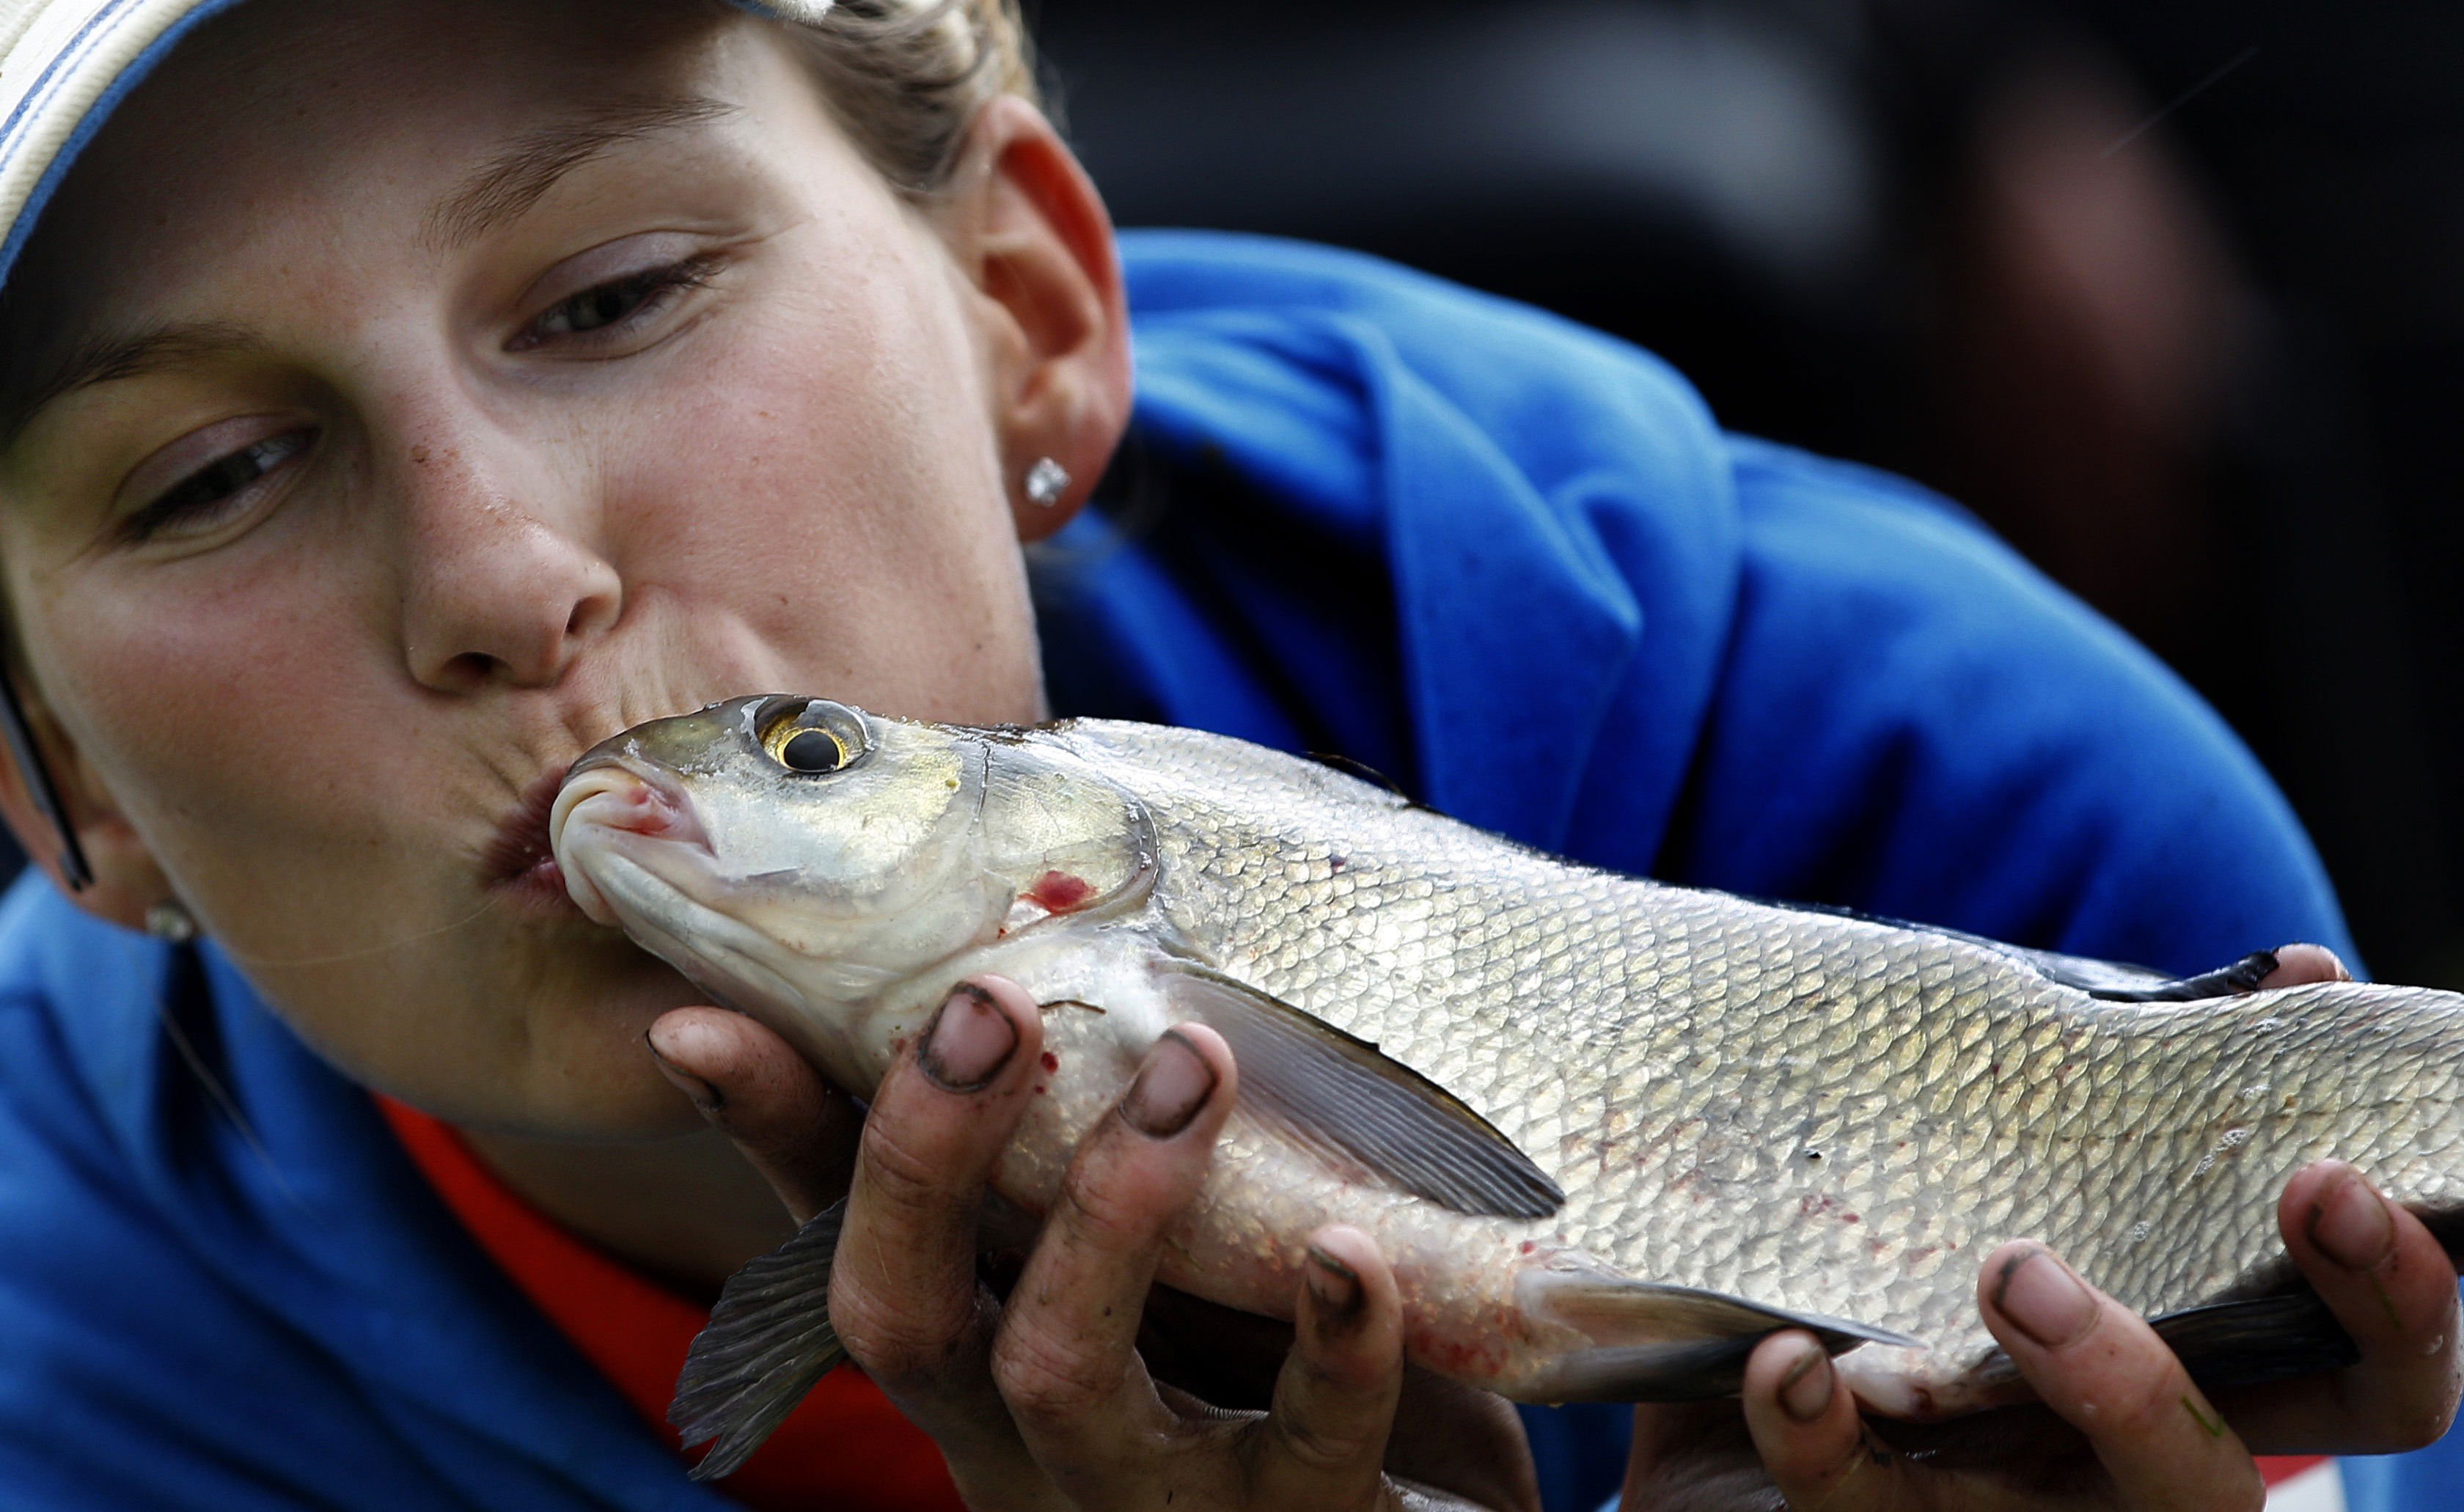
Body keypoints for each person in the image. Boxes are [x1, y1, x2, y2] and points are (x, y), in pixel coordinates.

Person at [0, 0, 2450, 1508]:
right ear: (58, 793)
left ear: (1032, 316)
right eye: (211, 476)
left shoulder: (1957, 794)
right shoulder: (60, 1397)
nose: (503, 581)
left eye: (618, 293)